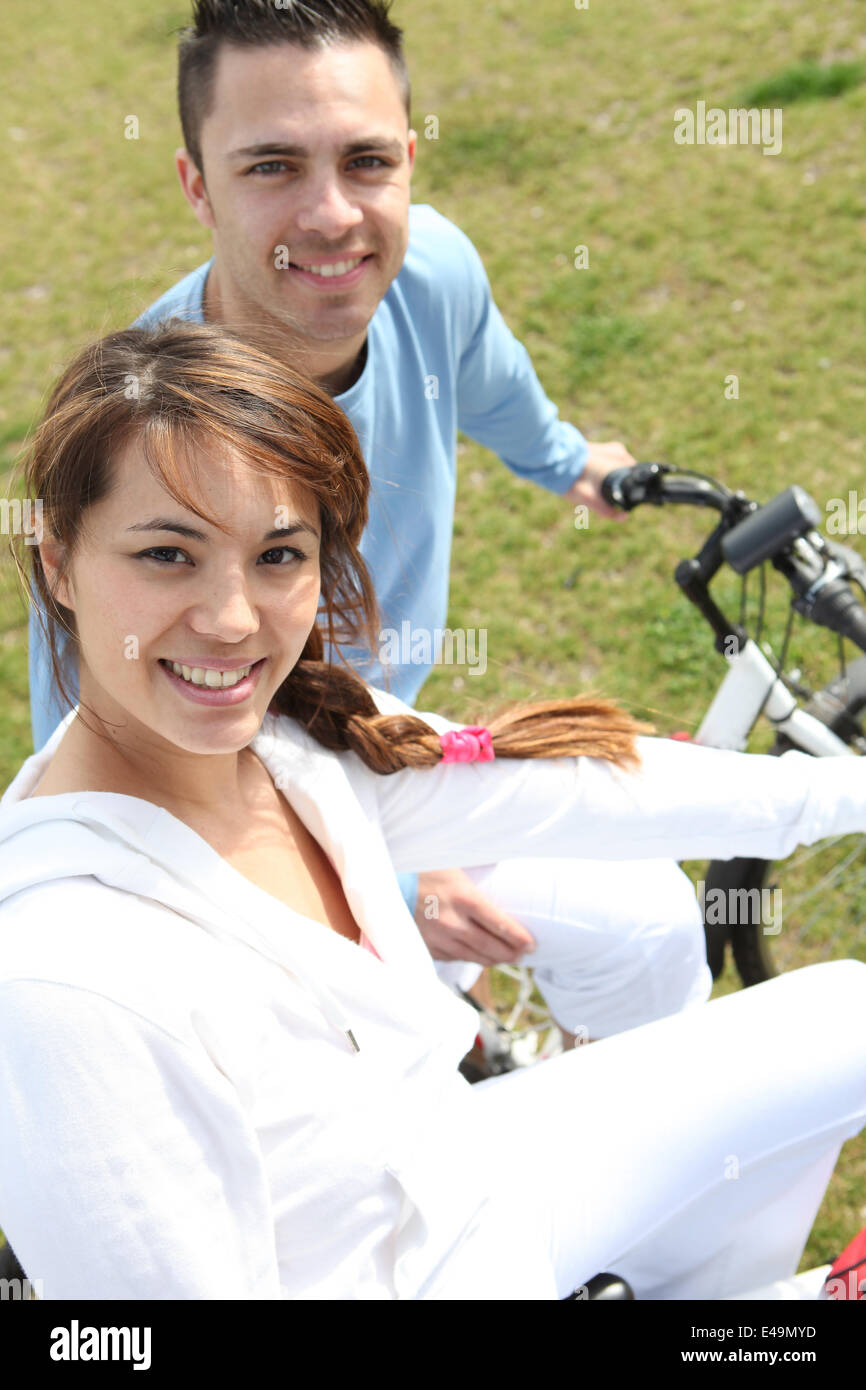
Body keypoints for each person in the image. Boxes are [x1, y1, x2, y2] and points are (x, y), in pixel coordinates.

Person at [3, 321, 866, 1301]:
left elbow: (581, 793)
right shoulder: (64, 987)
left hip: (467, 1186)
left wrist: (844, 791)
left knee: (844, 1009)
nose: (233, 617)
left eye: (278, 554)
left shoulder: (290, 742)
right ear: (60, 557)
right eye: (168, 554)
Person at [25, 0, 710, 1044]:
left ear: (409, 162)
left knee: (653, 923)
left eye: (364, 160)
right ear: (195, 186)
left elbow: (491, 384)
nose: (332, 214)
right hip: (240, 837)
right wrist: (383, 881)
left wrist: (568, 461)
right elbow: (106, 769)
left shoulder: (431, 272)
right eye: (271, 167)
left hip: (389, 751)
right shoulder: (138, 434)